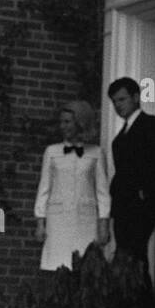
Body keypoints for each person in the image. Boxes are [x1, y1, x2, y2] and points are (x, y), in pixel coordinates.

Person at [106, 76, 155, 277]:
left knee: (135, 254)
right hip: (122, 204)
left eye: (122, 99)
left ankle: (141, 304)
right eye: (115, 101)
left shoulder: (151, 126)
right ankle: (131, 303)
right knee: (126, 255)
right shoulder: (120, 137)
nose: (118, 105)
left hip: (141, 203)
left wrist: (149, 193)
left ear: (136, 97)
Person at [33, 99, 112, 270]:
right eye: (61, 122)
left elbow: (103, 193)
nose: (63, 126)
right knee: (57, 269)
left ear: (80, 123)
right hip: (58, 221)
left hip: (86, 221)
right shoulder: (52, 152)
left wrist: (103, 225)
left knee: (84, 269)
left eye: (67, 122)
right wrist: (40, 223)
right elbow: (44, 190)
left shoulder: (96, 153)